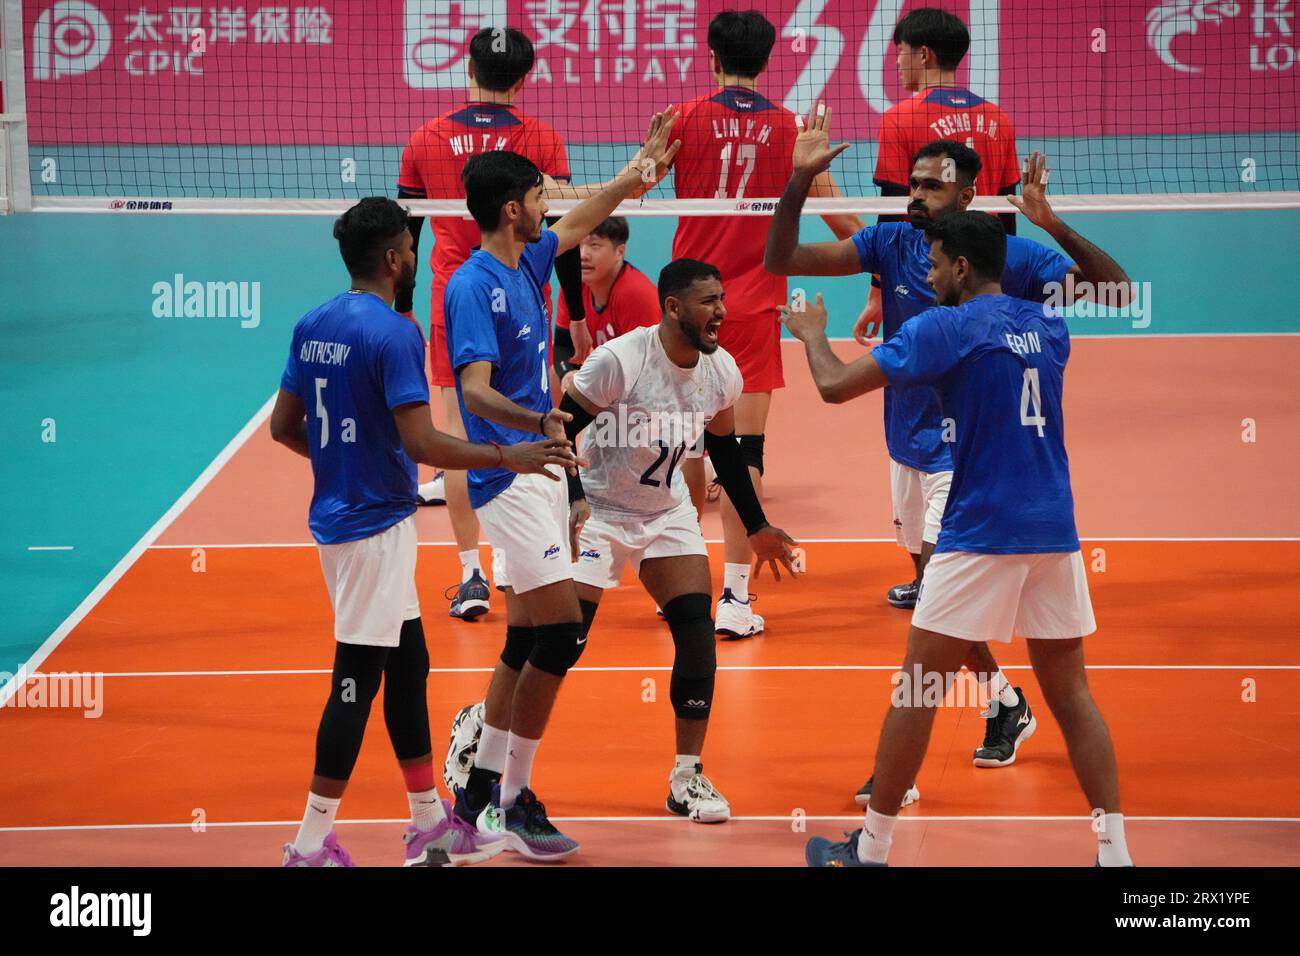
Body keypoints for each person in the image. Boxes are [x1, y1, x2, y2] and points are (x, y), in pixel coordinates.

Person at [766, 113, 1131, 800]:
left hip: (971, 455)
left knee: (934, 605)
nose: (915, 197)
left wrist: (1051, 223)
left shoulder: (1005, 259)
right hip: (906, 437)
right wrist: (798, 181)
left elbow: (1113, 291)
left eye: (931, 187)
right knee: (938, 601)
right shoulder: (890, 241)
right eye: (911, 184)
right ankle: (1002, 702)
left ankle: (892, 788)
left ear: (967, 196)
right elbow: (782, 261)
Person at [270, 198, 574, 867]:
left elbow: (284, 429)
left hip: (349, 520)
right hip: (373, 528)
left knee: (410, 665)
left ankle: (430, 821)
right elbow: (426, 441)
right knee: (354, 683)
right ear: (392, 258)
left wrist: (347, 462)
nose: (415, 256)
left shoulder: (312, 322)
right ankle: (311, 845)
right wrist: (507, 453)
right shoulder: (395, 332)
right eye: (410, 248)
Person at [450, 259, 799, 823]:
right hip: (601, 513)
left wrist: (756, 526)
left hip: (665, 510)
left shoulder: (722, 372)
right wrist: (573, 498)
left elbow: (726, 449)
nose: (721, 312)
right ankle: (483, 737)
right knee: (558, 644)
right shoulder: (622, 361)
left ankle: (687, 777)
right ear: (673, 307)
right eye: (709, 302)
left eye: (722, 299)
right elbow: (562, 425)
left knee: (695, 627)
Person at [441, 112, 681, 860]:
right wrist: (539, 422)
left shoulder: (531, 260)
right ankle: (512, 797)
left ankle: (480, 793)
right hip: (507, 475)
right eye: (539, 193)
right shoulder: (472, 287)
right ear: (512, 208)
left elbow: (584, 217)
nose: (550, 202)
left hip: (543, 471)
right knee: (558, 631)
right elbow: (474, 391)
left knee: (526, 638)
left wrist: (637, 174)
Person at [663, 10, 864, 639]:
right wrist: (890, 264)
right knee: (742, 452)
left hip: (681, 308)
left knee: (684, 445)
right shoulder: (794, 130)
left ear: (713, 58)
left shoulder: (684, 118)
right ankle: (735, 598)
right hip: (746, 309)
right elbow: (844, 227)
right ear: (768, 62)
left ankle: (683, 584)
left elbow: (632, 189)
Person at [397, 26, 587, 621]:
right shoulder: (543, 139)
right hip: (523, 289)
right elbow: (562, 235)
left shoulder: (427, 136)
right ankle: (513, 564)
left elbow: (409, 233)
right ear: (526, 77)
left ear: (468, 70)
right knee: (528, 420)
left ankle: (472, 573)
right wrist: (576, 314)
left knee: (460, 435)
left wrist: (402, 311)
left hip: (453, 292)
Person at [856, 7, 1021, 348]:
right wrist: (1003, 277)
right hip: (982, 271)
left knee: (919, 369)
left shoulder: (899, 119)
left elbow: (891, 210)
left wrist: (878, 291)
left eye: (900, 51)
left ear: (924, 54)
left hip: (924, 268)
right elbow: (1008, 210)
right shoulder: (999, 119)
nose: (898, 61)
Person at [552, 217, 711, 518]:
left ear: (619, 251)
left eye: (595, 245)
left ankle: (694, 509)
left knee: (682, 447)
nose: (584, 254)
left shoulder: (635, 294)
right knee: (554, 382)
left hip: (661, 384)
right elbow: (561, 347)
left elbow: (658, 366)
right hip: (611, 382)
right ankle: (559, 458)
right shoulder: (575, 288)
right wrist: (568, 374)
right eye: (581, 244)